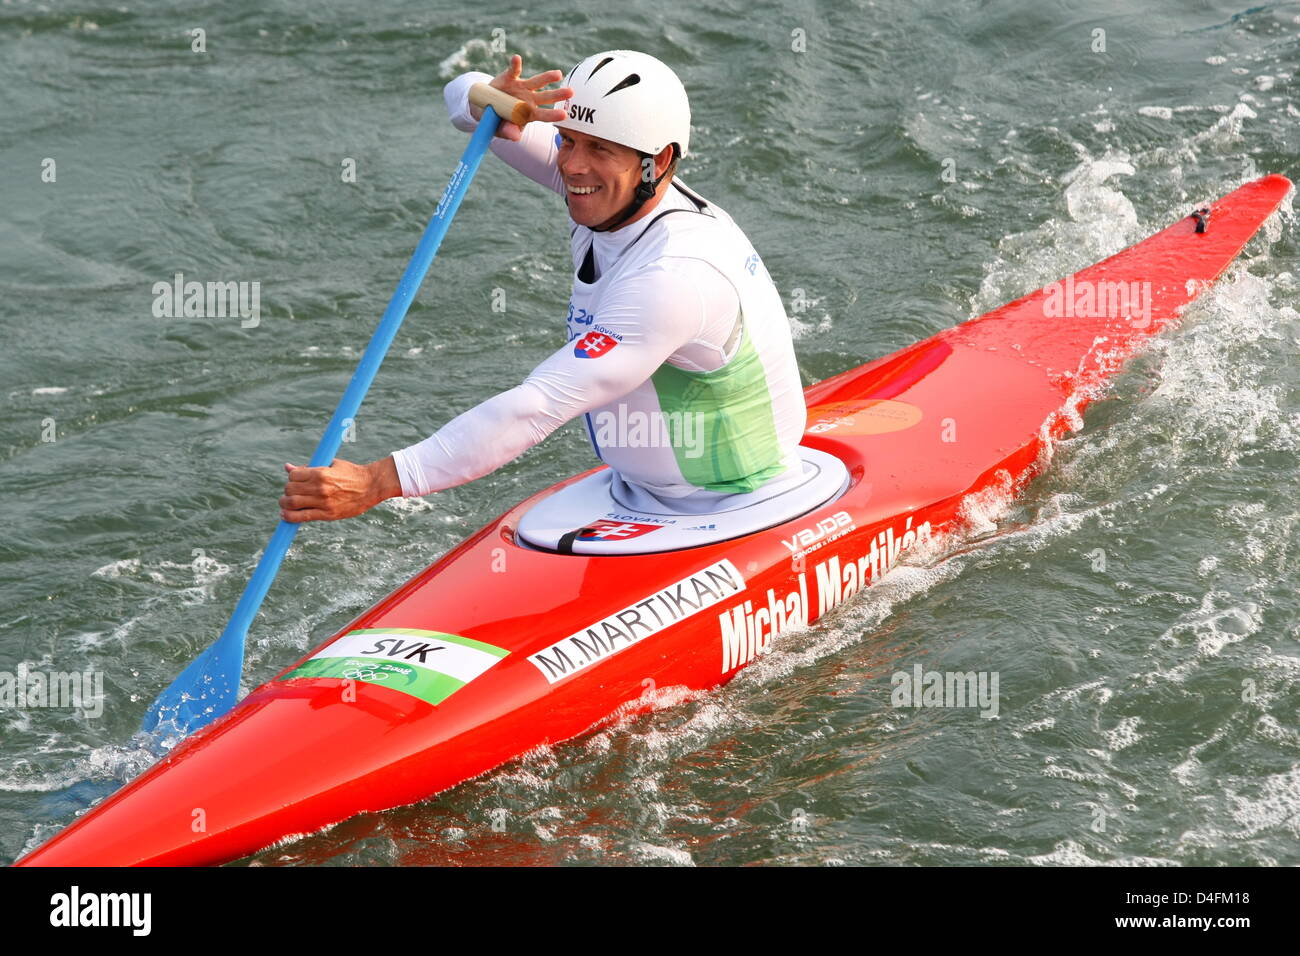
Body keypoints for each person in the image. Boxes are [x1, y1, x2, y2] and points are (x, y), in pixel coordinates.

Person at [280, 50, 807, 529]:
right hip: (638, 496)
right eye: (568, 140)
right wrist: (497, 98)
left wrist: (377, 482)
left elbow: (537, 407)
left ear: (660, 161)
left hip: (736, 505)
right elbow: (464, 100)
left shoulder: (675, 277)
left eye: (599, 148)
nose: (573, 166)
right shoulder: (606, 192)